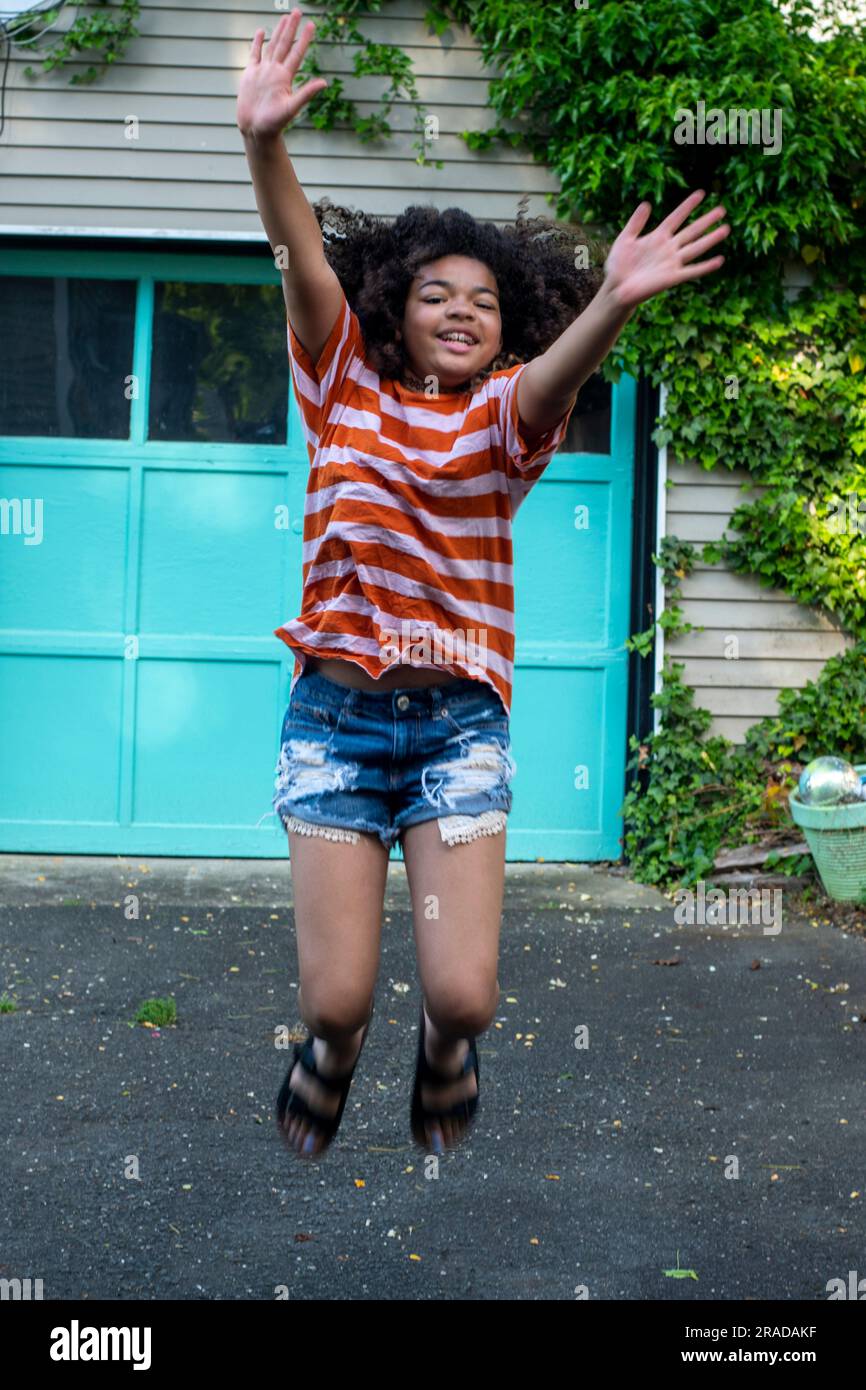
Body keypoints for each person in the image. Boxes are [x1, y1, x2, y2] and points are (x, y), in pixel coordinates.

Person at [237, 8, 729, 1160]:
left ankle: (443, 1049)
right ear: (394, 308)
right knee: (334, 1000)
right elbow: (302, 256)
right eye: (436, 294)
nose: (462, 311)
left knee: (462, 996)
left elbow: (554, 379)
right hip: (335, 718)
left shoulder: (504, 423)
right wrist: (263, 143)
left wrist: (610, 299)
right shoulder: (340, 387)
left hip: (457, 724)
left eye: (485, 302)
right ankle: (336, 1052)